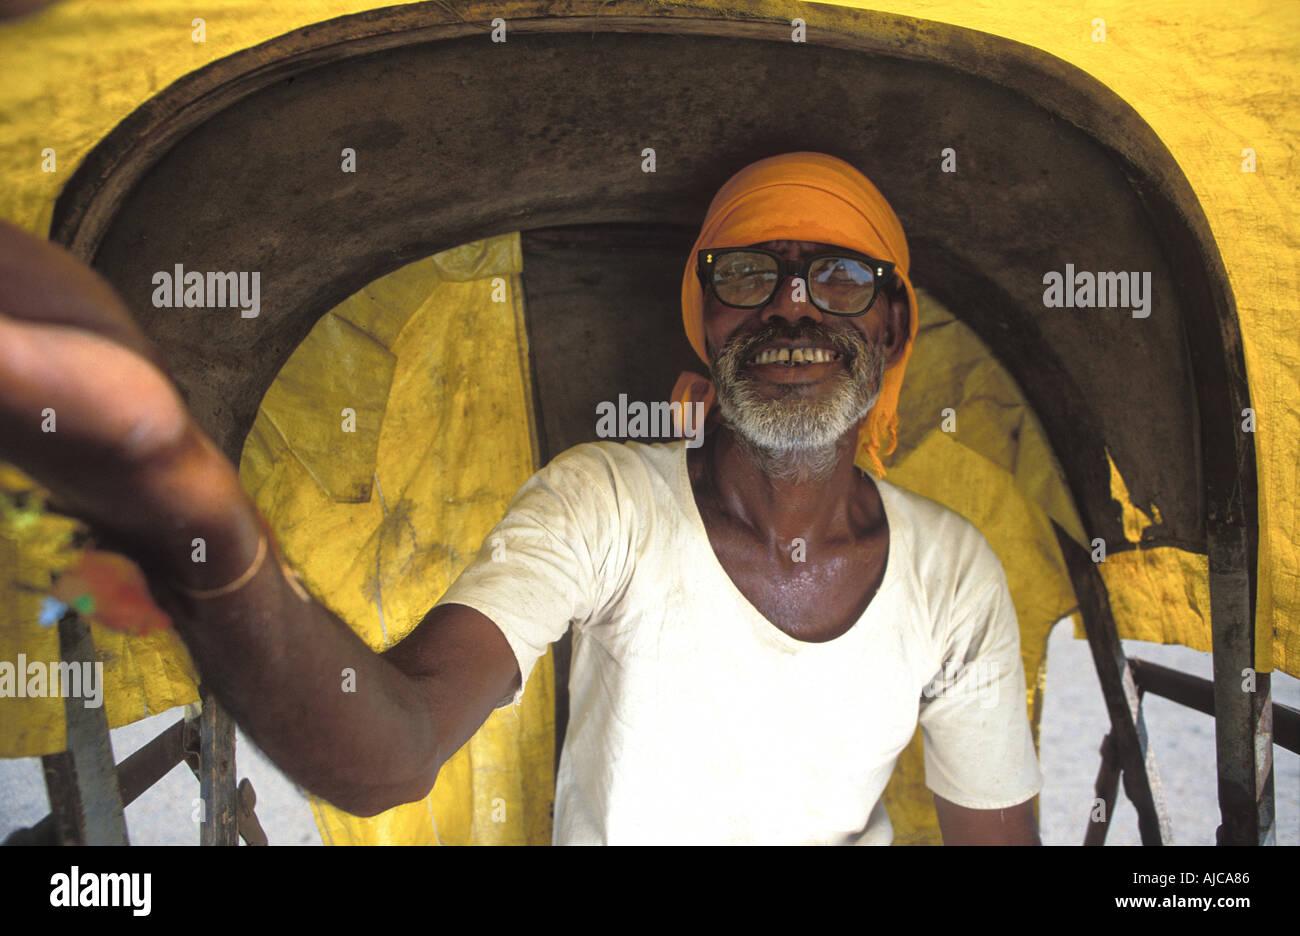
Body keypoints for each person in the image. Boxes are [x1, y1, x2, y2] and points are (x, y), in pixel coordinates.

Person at [0, 151, 1041, 845]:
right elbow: (390, 754)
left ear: (894, 332)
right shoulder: (605, 501)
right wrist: (201, 517)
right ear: (707, 324)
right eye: (749, 275)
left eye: (842, 279)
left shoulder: (952, 576)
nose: (791, 305)